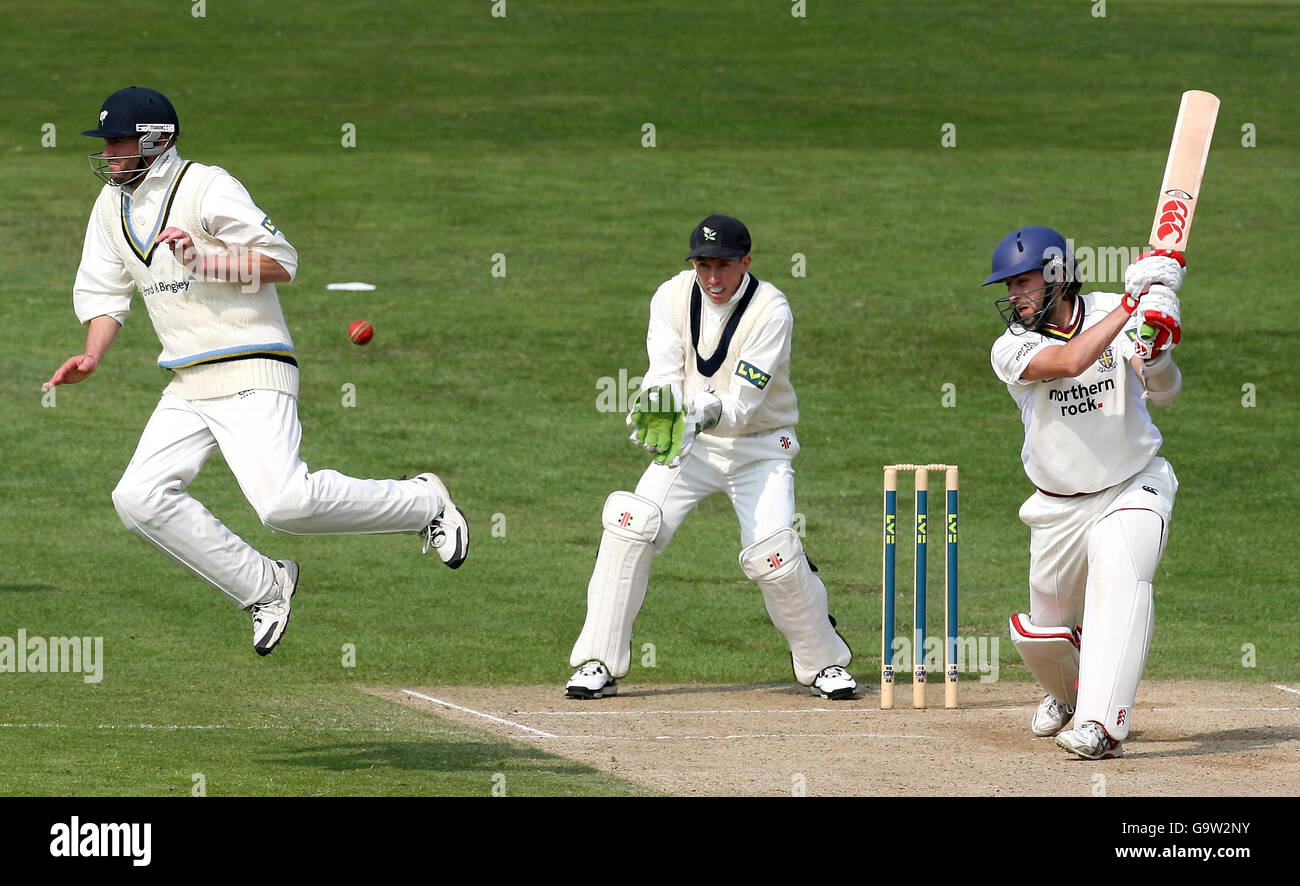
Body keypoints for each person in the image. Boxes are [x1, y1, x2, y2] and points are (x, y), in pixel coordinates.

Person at [45, 86, 469, 656]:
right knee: (139, 497)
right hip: (188, 380)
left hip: (251, 362)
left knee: (284, 504)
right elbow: (103, 291)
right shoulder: (109, 208)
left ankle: (424, 504)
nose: (109, 154)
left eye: (118, 142)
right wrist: (93, 354)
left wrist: (204, 259)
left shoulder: (206, 186)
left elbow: (281, 261)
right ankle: (265, 585)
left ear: (156, 140)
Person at [564, 215, 855, 700]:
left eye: (723, 266)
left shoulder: (771, 310)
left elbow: (741, 406)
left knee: (774, 555)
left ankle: (824, 663)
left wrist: (694, 410)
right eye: (703, 265)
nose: (713, 279)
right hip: (691, 444)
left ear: (746, 261)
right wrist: (658, 410)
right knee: (630, 524)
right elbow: (663, 369)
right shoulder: (671, 296)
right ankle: (598, 661)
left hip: (760, 447)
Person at [985, 226, 1184, 759]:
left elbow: (1163, 392)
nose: (1013, 297)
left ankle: (1101, 725)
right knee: (1041, 638)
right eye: (1008, 287)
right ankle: (1067, 696)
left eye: (1023, 283)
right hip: (1057, 507)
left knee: (1120, 581)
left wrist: (1157, 348)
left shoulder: (1112, 313)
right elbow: (1070, 363)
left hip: (1132, 483)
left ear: (1060, 277)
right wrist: (1131, 304)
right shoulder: (1011, 347)